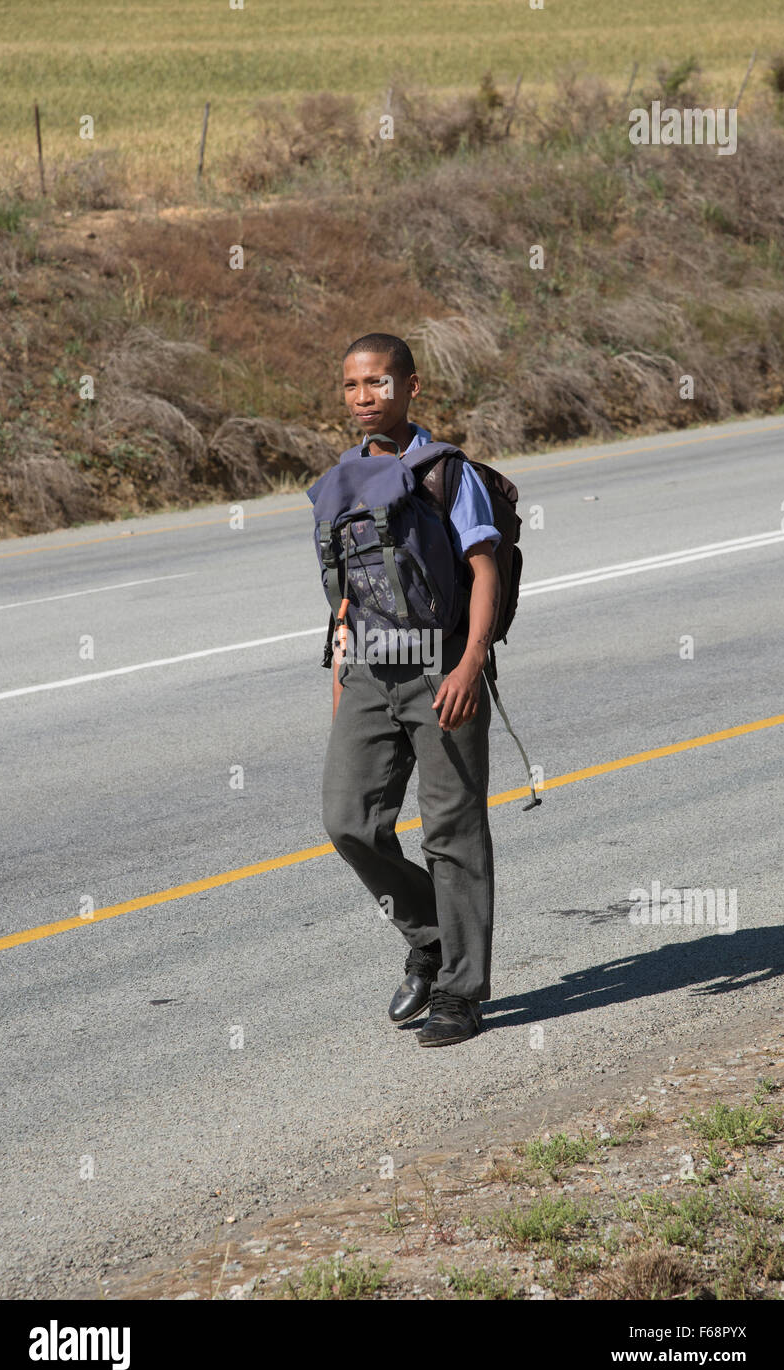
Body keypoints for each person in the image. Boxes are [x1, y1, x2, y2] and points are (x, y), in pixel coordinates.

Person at [318, 332, 501, 1046]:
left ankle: (461, 991)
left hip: (441, 667)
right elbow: (345, 590)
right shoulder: (340, 478)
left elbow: (484, 569)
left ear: (410, 387)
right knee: (348, 821)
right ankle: (430, 938)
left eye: (378, 384)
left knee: (452, 833)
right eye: (351, 387)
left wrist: (468, 664)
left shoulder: (447, 472)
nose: (364, 398)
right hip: (367, 668)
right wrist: (340, 673)